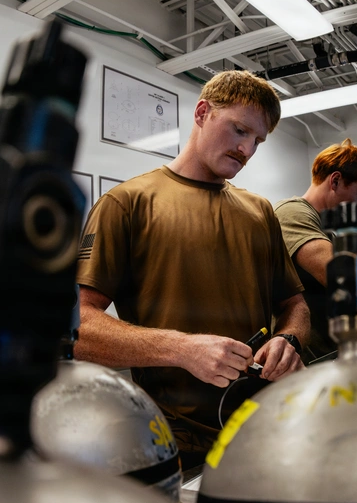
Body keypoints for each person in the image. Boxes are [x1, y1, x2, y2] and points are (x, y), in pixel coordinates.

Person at [74, 71, 309, 469]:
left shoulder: (259, 211)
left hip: (260, 431)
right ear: (202, 113)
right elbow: (78, 328)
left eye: (257, 140)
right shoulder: (127, 203)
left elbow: (295, 303)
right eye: (239, 129)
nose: (246, 149)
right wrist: (181, 349)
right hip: (168, 442)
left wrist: (290, 341)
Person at [274, 139, 357, 361]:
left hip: (329, 354)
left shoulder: (329, 232)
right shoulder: (292, 213)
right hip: (303, 359)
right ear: (335, 180)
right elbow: (344, 279)